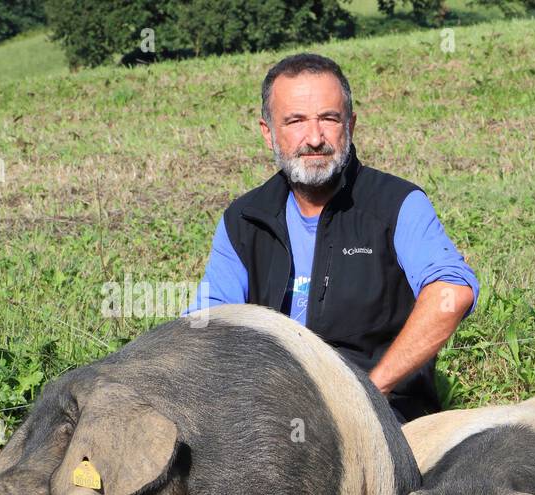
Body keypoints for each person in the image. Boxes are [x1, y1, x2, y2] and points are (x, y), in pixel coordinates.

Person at [191, 52, 477, 421]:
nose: (314, 138)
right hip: (269, 414)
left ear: (351, 125)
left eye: (329, 119)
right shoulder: (244, 219)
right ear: (268, 132)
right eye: (295, 121)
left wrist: (372, 390)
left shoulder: (397, 204)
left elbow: (451, 293)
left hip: (379, 415)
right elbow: (205, 324)